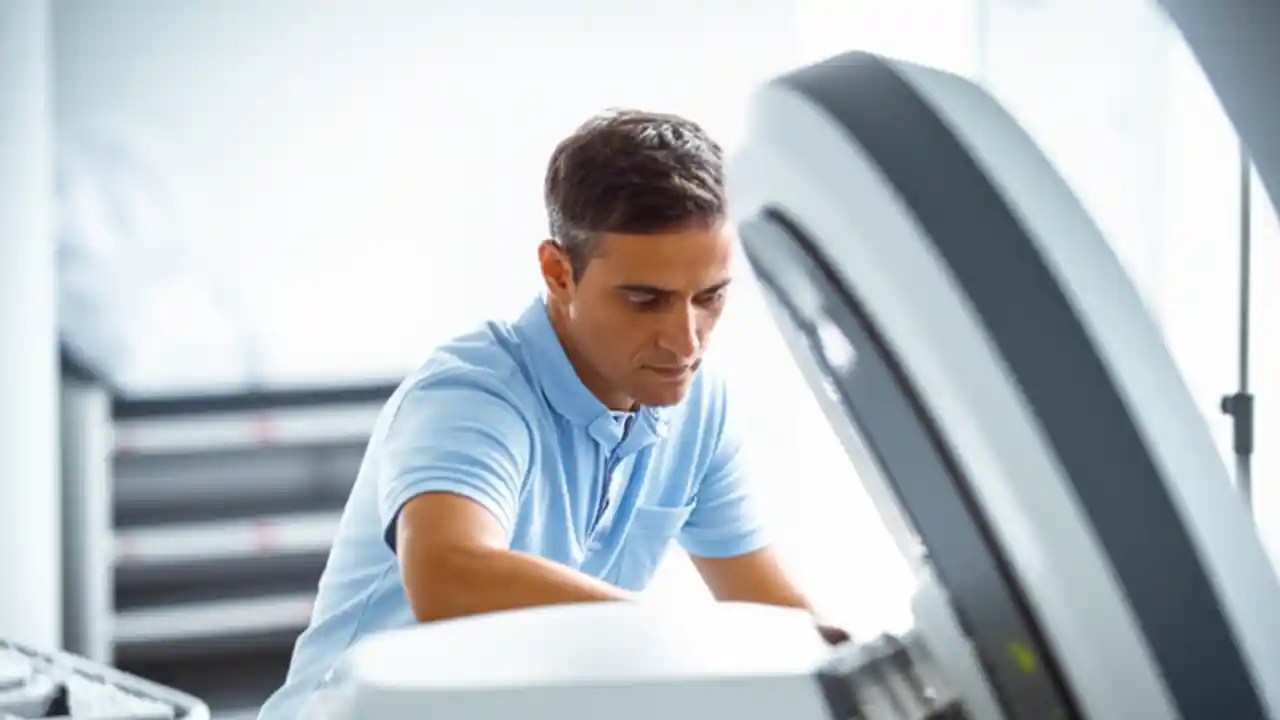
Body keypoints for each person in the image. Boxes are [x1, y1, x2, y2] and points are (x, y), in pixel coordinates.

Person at [258, 108, 846, 719]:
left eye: (710, 297)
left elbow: (767, 611)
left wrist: (866, 671)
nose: (686, 341)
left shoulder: (700, 405)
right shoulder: (472, 393)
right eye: (645, 300)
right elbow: (450, 576)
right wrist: (671, 639)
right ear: (558, 272)